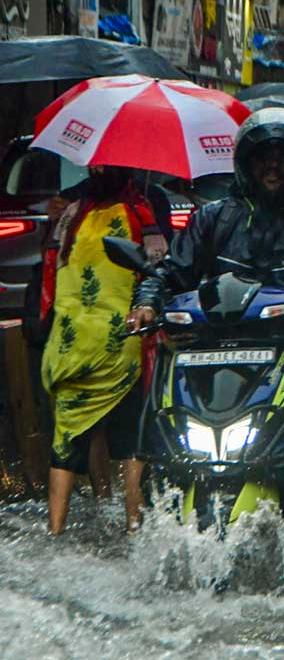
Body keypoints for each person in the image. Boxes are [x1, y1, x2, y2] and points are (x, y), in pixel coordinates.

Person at [126, 108, 284, 547]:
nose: (273, 165)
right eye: (264, 155)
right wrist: (148, 304)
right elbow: (170, 272)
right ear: (245, 163)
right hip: (210, 353)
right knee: (157, 410)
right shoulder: (213, 218)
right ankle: (145, 515)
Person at [42, 165, 167, 535]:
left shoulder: (72, 211)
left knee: (68, 438)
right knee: (129, 440)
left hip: (75, 346)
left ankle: (56, 530)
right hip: (114, 341)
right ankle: (132, 527)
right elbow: (160, 267)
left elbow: (52, 266)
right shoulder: (140, 207)